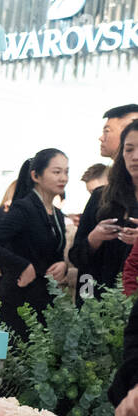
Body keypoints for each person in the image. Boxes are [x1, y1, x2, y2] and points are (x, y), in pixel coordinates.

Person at [0, 149, 69, 336]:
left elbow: (55, 253)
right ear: (36, 175)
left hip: (45, 300)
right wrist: (22, 265)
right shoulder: (23, 208)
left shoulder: (58, 214)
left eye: (66, 172)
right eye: (56, 172)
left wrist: (62, 265)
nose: (63, 178)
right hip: (19, 298)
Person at [70, 119, 138, 295]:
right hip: (97, 303)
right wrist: (93, 239)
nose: (135, 156)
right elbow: (76, 255)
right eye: (129, 149)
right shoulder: (101, 196)